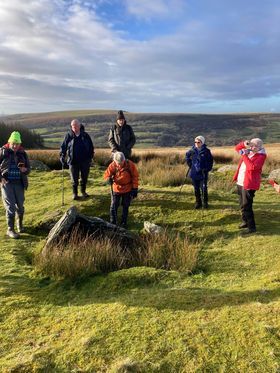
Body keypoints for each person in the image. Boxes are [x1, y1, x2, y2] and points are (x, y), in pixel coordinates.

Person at [0, 131, 30, 239]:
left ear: (20, 144)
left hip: (19, 183)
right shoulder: (3, 151)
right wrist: (1, 178)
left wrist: (25, 169)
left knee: (20, 207)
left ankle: (19, 225)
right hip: (7, 183)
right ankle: (10, 230)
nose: (15, 146)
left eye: (17, 144)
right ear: (9, 142)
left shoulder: (23, 153)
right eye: (13, 143)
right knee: (10, 207)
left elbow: (28, 170)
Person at [233, 138, 266, 234]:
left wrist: (244, 155)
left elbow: (252, 167)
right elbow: (237, 148)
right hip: (240, 182)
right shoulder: (249, 151)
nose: (252, 147)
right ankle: (245, 222)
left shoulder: (261, 156)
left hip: (249, 183)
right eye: (251, 145)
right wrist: (244, 143)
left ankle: (252, 227)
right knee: (241, 204)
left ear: (260, 147)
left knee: (247, 205)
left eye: (254, 145)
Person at [60, 119, 94, 200]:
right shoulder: (68, 135)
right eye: (73, 126)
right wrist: (62, 156)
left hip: (85, 161)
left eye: (76, 126)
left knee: (84, 177)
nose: (74, 127)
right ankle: (75, 194)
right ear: (71, 126)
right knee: (74, 179)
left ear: (79, 126)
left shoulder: (85, 135)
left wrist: (90, 157)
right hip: (73, 161)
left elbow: (91, 147)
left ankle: (83, 192)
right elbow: (63, 147)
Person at [104, 151, 139, 228]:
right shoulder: (112, 165)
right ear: (115, 161)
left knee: (125, 206)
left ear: (124, 160)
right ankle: (113, 222)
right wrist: (108, 179)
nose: (120, 164)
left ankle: (124, 222)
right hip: (116, 188)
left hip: (128, 189)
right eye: (118, 163)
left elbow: (135, 177)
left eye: (121, 163)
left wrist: (135, 188)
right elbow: (107, 175)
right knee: (113, 206)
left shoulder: (130, 165)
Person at [186, 136, 213, 209]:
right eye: (195, 142)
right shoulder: (191, 151)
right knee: (196, 189)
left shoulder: (207, 151)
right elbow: (187, 158)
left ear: (202, 142)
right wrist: (191, 165)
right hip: (194, 173)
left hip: (203, 173)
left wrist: (207, 169)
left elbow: (210, 161)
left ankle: (205, 202)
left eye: (198, 142)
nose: (196, 143)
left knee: (204, 188)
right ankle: (198, 202)